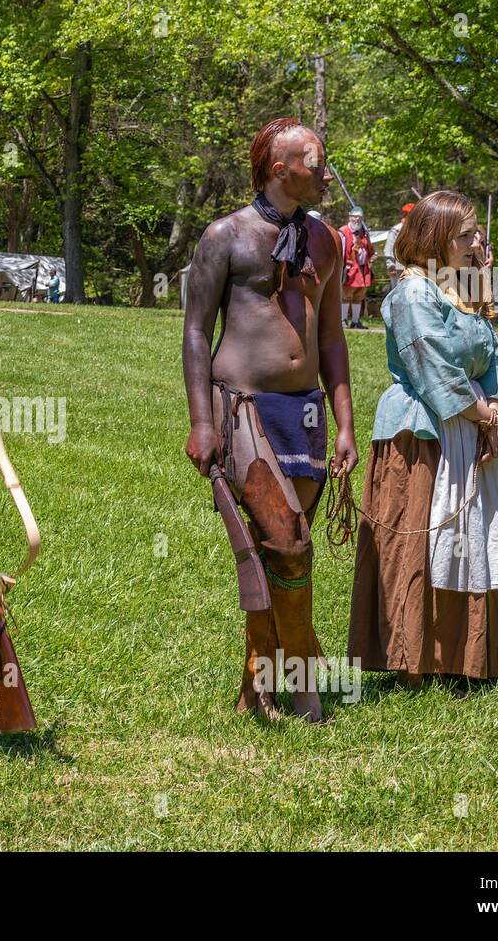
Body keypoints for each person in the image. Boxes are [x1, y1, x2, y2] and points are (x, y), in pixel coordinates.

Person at [182, 117, 358, 722]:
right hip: (242, 408)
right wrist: (201, 421)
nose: (325, 169)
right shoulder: (225, 235)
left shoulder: (327, 241)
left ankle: (258, 683)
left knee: (275, 552)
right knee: (287, 546)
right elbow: (196, 331)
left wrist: (346, 425)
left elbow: (332, 338)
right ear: (280, 168)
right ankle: (305, 688)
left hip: (304, 411)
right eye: (315, 159)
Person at [349, 191, 498, 686]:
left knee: (469, 541)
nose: (475, 244)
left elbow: (490, 356)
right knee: (424, 543)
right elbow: (431, 366)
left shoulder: (458, 289)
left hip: (470, 424)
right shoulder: (412, 293)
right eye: (466, 235)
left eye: (475, 234)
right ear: (436, 237)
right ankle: (414, 660)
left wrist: (497, 411)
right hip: (423, 431)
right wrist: (483, 416)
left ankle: (467, 657)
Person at [339, 206, 374, 328]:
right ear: (350, 217)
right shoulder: (343, 231)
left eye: (359, 217)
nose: (356, 219)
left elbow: (369, 249)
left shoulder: (364, 233)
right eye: (354, 216)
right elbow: (340, 252)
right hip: (349, 268)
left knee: (358, 296)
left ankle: (355, 321)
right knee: (346, 295)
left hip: (363, 269)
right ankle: (343, 320)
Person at [383, 202, 414, 293]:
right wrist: (390, 266)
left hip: (414, 269)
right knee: (398, 296)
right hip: (398, 269)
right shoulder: (396, 230)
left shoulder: (418, 230)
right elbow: (388, 250)